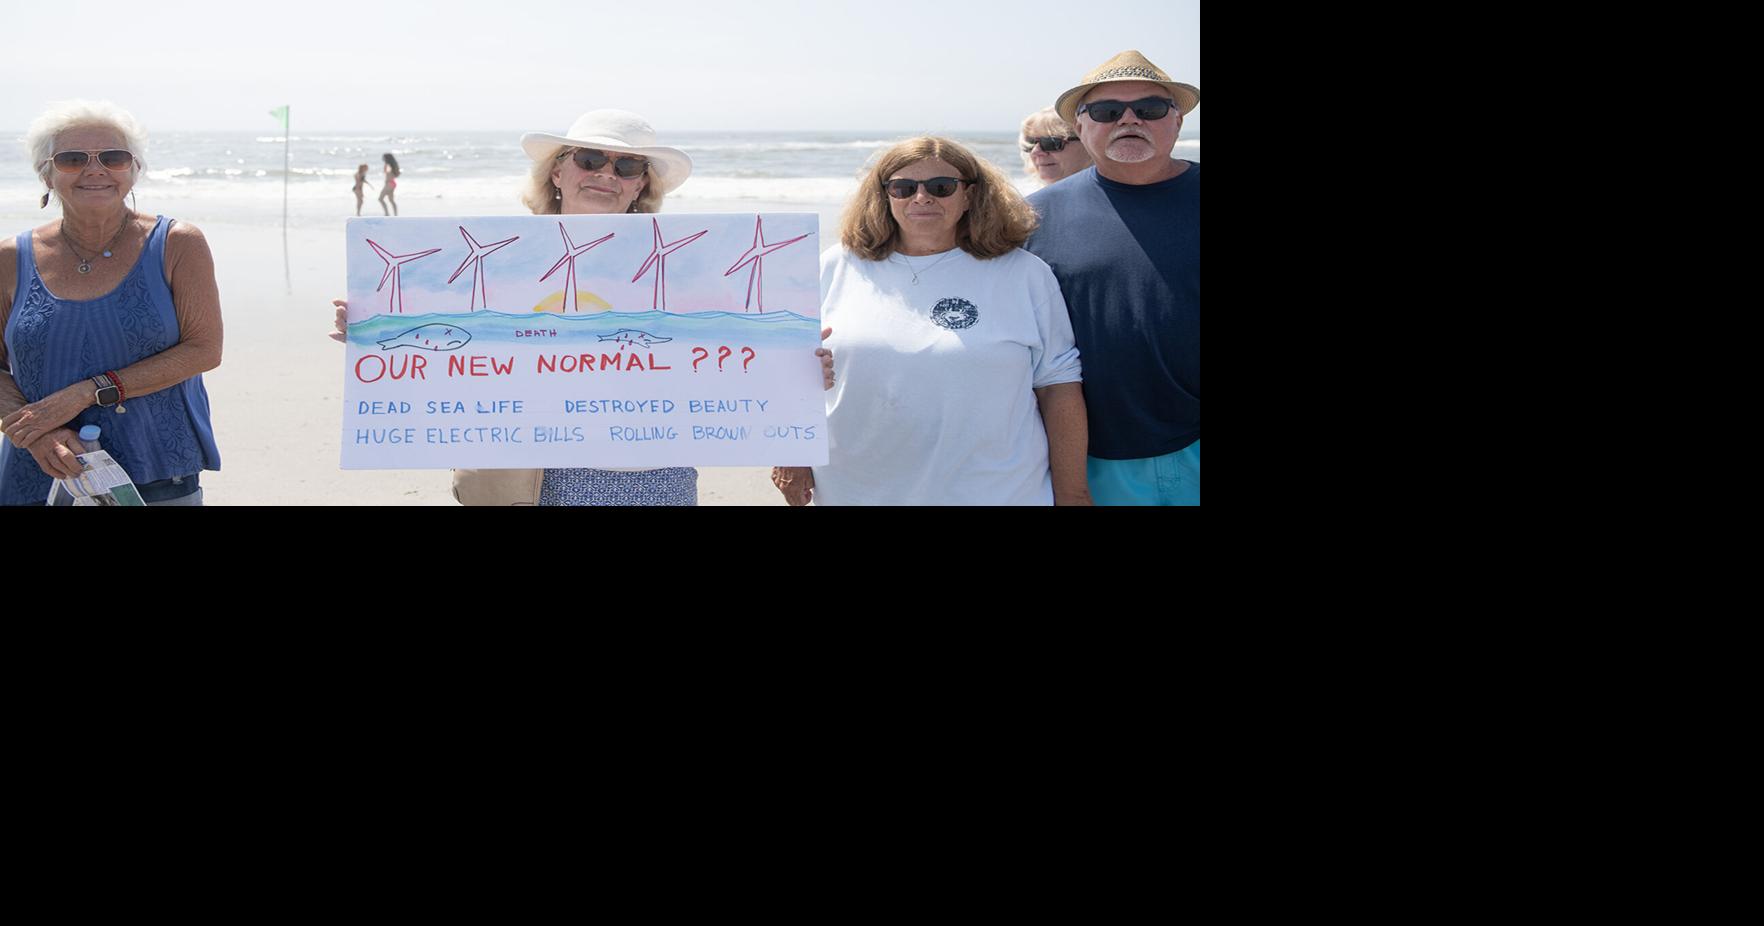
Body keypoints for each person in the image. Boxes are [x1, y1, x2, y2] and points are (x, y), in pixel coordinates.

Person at [332, 109, 834, 505]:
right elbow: (446, 353)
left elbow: (727, 355)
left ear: (642, 186)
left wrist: (795, 368)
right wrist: (367, 335)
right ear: (557, 169)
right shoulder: (500, 257)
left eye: (628, 166)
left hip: (655, 475)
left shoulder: (691, 269)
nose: (607, 175)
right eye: (590, 159)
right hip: (532, 480)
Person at [773, 136, 1089, 506]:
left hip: (996, 491)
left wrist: (1073, 494)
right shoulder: (836, 265)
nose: (921, 198)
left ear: (970, 195)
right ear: (884, 195)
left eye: (941, 187)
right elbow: (791, 372)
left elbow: (1058, 387)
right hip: (855, 488)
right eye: (903, 188)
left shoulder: (1024, 274)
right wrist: (790, 455)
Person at [0, 100, 223, 505]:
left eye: (113, 157)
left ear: (134, 170)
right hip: (37, 471)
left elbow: (204, 350)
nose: (95, 169)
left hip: (155, 471)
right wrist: (38, 434)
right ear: (45, 174)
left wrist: (88, 392)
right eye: (72, 158)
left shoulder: (177, 244)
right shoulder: (10, 258)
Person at [1025, 50, 1200, 506]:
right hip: (1093, 458)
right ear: (1080, 127)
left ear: (1176, 122)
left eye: (1150, 109)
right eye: (1106, 111)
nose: (1129, 120)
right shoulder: (1032, 219)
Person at [1018, 107, 1091, 187]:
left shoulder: (1103, 196)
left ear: (1087, 143)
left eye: (1051, 142)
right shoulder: (1025, 196)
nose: (1035, 152)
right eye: (1031, 142)